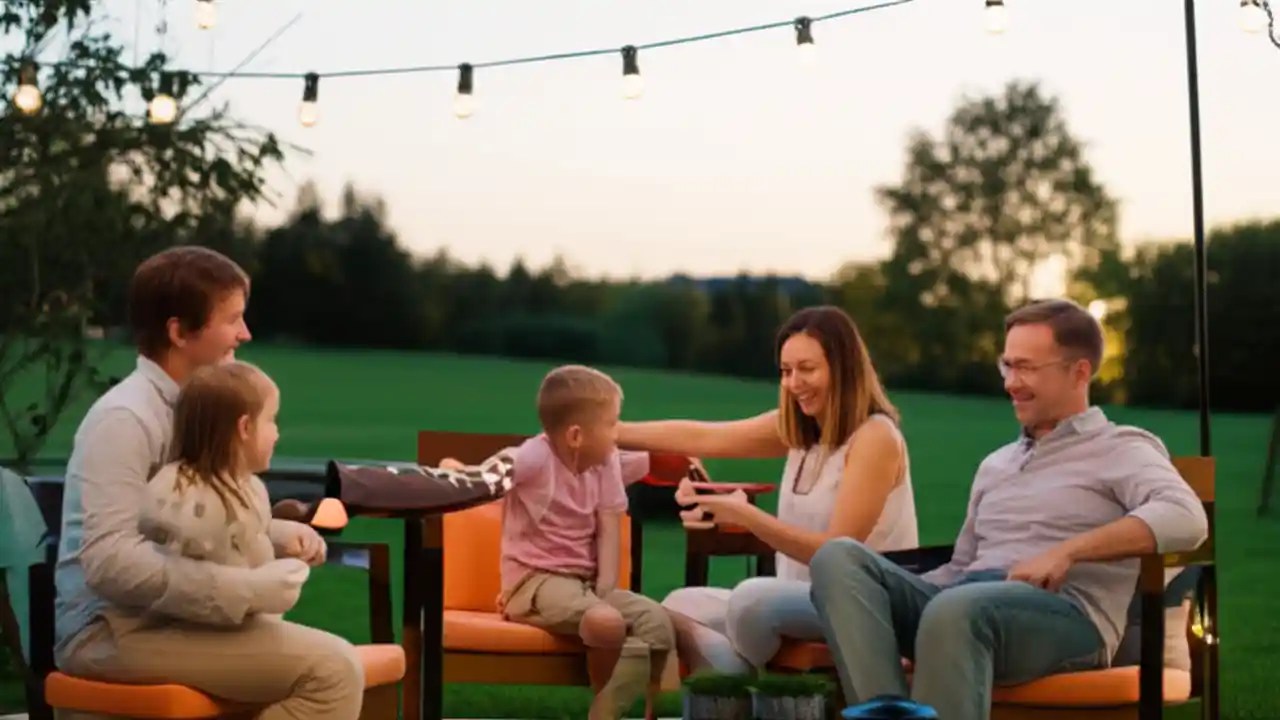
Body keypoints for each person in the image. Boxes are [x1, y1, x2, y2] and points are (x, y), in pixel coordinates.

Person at [807, 298, 1210, 720]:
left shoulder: (1122, 447)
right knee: (838, 558)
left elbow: (1186, 516)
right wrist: (887, 591)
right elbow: (961, 568)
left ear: (1080, 372)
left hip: (1067, 617)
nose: (1011, 383)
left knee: (956, 608)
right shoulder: (996, 463)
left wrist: (1067, 551)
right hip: (965, 601)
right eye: (1008, 366)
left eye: (1027, 368)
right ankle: (890, 712)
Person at [55, 246, 366, 720]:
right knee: (333, 670)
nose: (246, 333)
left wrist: (275, 535)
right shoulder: (124, 421)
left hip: (169, 621)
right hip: (109, 631)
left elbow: (194, 522)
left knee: (318, 659)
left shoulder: (194, 411)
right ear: (179, 332)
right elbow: (109, 558)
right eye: (233, 319)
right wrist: (241, 590)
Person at [617, 305, 919, 674]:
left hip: (861, 603)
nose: (794, 384)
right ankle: (745, 686)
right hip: (796, 600)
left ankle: (743, 688)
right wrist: (611, 432)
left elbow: (837, 556)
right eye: (786, 371)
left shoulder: (875, 437)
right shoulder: (801, 430)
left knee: (751, 600)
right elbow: (703, 436)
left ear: (843, 368)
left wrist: (743, 514)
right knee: (679, 605)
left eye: (807, 369)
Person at [497, 364, 675, 720]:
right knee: (606, 622)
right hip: (534, 581)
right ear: (576, 436)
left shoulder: (605, 461)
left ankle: (607, 711)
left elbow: (610, 525)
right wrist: (456, 468)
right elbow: (498, 467)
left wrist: (605, 589)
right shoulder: (536, 457)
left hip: (585, 585)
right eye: (612, 424)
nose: (618, 433)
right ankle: (610, 708)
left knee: (657, 622)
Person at [139, 361, 317, 611]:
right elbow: (214, 593)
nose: (276, 433)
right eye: (271, 420)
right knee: (337, 652)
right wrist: (280, 582)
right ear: (245, 427)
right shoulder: (192, 501)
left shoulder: (249, 487)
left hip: (235, 626)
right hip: (207, 633)